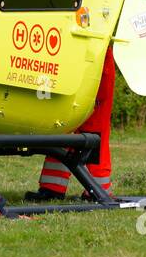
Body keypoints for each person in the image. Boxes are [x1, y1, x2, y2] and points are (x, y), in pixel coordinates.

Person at [25, 47, 116, 202]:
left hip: (96, 63)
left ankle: (97, 190)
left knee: (95, 132)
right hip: (72, 59)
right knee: (62, 126)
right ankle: (52, 188)